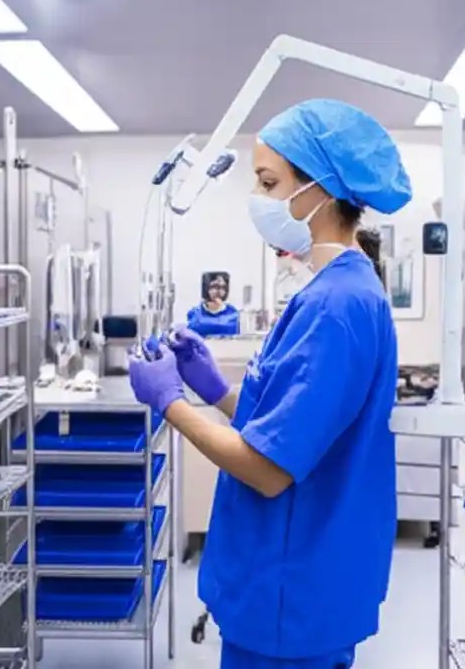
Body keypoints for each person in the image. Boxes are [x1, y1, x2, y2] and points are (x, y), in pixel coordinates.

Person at [128, 98, 410, 668]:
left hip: (292, 589)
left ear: (322, 191)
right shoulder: (334, 290)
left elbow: (269, 469)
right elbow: (292, 426)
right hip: (299, 581)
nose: (258, 199)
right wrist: (214, 391)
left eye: (267, 181)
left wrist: (170, 403)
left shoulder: (336, 306)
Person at [186, 271, 241, 336]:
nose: (219, 291)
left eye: (223, 287)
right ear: (206, 288)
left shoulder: (234, 314)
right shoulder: (195, 313)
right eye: (214, 287)